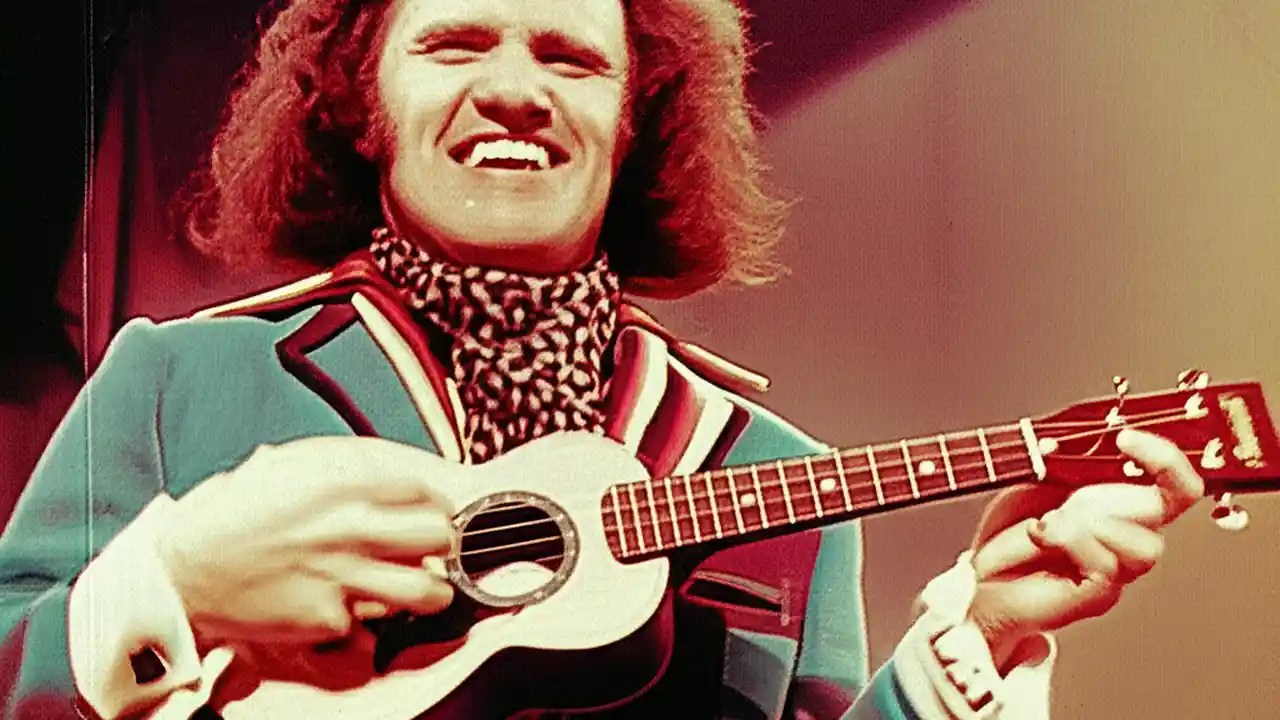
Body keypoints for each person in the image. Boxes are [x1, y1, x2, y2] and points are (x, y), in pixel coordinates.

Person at [0, 0, 1204, 718]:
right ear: (359, 101)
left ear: (638, 120)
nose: (514, 90)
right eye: (455, 44)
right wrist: (178, 588)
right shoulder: (176, 380)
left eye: (571, 59)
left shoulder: (768, 471)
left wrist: (981, 635)